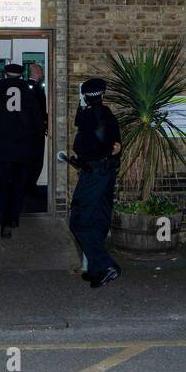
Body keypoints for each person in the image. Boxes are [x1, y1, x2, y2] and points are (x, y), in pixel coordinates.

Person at [0, 62, 44, 238]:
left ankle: (4, 222)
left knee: (1, 187)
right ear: (21, 76)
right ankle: (15, 217)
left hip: (1, 149)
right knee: (18, 184)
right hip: (23, 149)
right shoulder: (28, 91)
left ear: (5, 75)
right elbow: (38, 122)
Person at [68, 78, 122, 288]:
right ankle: (96, 268)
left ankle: (106, 265)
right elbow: (115, 145)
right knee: (99, 219)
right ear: (103, 94)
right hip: (104, 170)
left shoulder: (94, 115)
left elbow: (90, 143)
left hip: (96, 172)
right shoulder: (104, 114)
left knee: (79, 221)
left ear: (85, 96)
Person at [23, 63, 48, 200]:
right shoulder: (37, 89)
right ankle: (30, 187)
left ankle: (27, 186)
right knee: (37, 160)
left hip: (25, 131)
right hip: (36, 130)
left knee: (28, 159)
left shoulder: (24, 87)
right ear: (37, 72)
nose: (43, 75)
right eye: (41, 72)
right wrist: (45, 122)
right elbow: (40, 110)